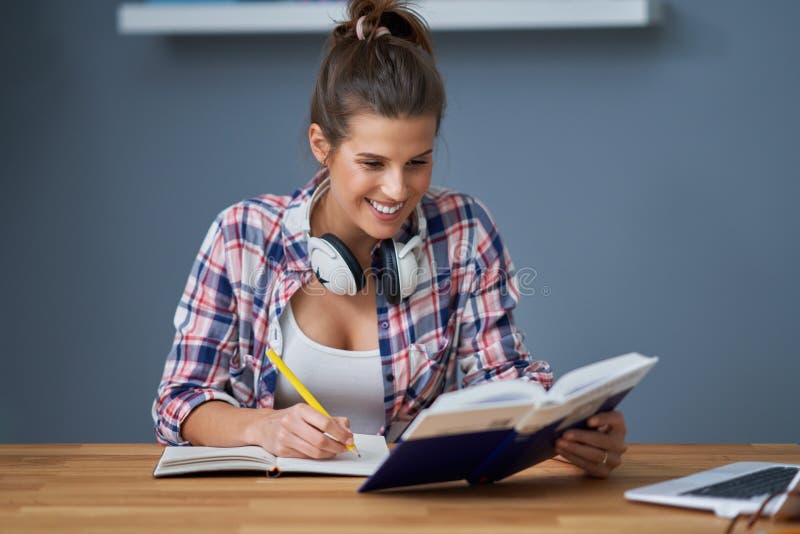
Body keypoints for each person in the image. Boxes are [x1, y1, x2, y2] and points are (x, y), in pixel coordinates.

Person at [152, 0, 628, 478]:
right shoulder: (243, 235)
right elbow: (179, 401)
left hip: (413, 504)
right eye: (373, 164)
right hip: (267, 510)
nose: (398, 191)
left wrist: (568, 428)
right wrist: (263, 427)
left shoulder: (463, 229)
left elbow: (503, 380)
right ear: (323, 147)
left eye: (417, 162)